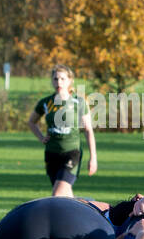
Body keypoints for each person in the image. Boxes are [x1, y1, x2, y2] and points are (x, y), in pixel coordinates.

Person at [28, 64, 98, 197]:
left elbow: (88, 130)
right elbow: (31, 122)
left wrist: (93, 157)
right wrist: (41, 137)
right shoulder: (45, 102)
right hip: (51, 154)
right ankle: (81, 214)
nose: (58, 82)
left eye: (62, 79)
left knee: (57, 194)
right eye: (55, 79)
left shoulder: (79, 102)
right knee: (65, 196)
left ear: (70, 80)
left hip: (71, 153)